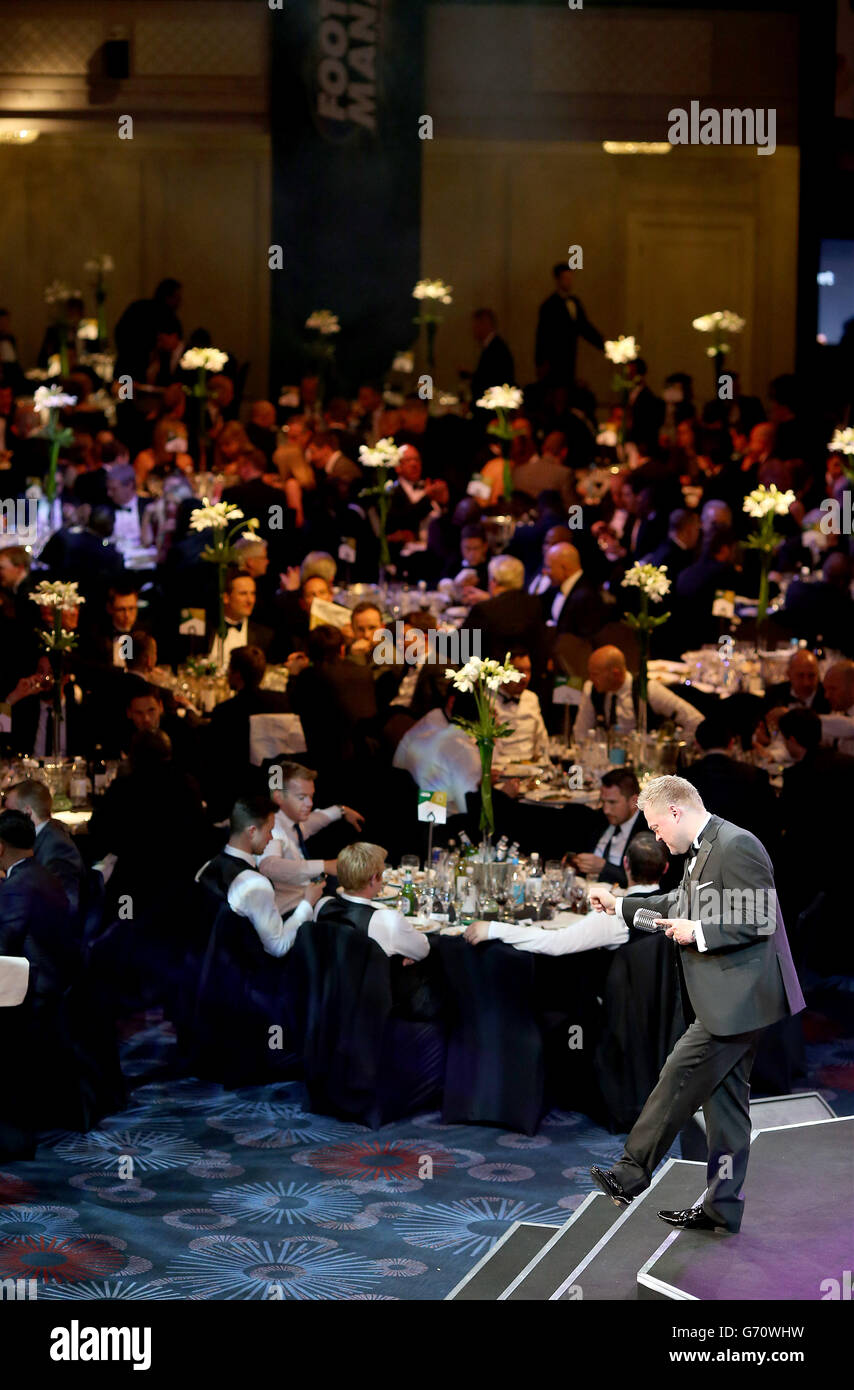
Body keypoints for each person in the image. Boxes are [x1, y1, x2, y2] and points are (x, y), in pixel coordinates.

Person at [588, 775, 805, 1234]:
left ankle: (630, 1173)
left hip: (739, 1002)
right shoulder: (702, 849)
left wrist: (700, 931)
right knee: (725, 1107)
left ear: (676, 811)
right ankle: (722, 1207)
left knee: (678, 1074)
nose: (656, 837)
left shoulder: (737, 845)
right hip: (729, 999)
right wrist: (621, 905)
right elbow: (677, 903)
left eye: (656, 827)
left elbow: (761, 916)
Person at [465, 833, 668, 954]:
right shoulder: (674, 904)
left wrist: (494, 929)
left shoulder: (616, 914)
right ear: (665, 868)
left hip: (611, 1002)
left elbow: (556, 943)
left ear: (625, 863)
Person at [314, 841, 441, 1020]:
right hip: (374, 1008)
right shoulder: (387, 921)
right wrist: (400, 957)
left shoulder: (322, 905)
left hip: (330, 999)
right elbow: (423, 950)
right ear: (374, 879)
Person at [196, 795, 321, 957]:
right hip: (248, 965)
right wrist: (307, 903)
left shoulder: (206, 867)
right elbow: (278, 947)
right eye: (269, 831)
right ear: (252, 831)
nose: (271, 838)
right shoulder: (256, 884)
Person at [258, 760, 364, 914]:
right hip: (291, 910)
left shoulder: (291, 821)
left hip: (308, 899)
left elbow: (315, 820)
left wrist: (342, 810)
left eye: (311, 796)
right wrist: (325, 866)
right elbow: (269, 866)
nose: (309, 803)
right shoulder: (274, 829)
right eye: (302, 797)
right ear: (279, 797)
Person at [573, 646, 703, 742]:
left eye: (595, 674)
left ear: (615, 674)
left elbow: (694, 719)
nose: (591, 678)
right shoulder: (591, 689)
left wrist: (676, 747)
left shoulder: (647, 689)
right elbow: (580, 732)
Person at [3, 779, 86, 921]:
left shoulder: (58, 847)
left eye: (9, 812)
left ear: (27, 813)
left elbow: (67, 907)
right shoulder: (40, 837)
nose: (3, 819)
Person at [570, 767, 645, 886]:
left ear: (633, 801)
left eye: (612, 802)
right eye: (603, 802)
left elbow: (644, 881)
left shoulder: (648, 831)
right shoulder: (600, 818)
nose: (606, 810)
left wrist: (604, 868)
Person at [534, 263, 604, 389]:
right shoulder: (549, 305)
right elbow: (542, 335)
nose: (569, 281)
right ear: (558, 280)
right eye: (565, 278)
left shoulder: (575, 302)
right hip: (554, 359)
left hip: (570, 356)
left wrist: (603, 344)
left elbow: (584, 327)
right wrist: (541, 362)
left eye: (570, 278)